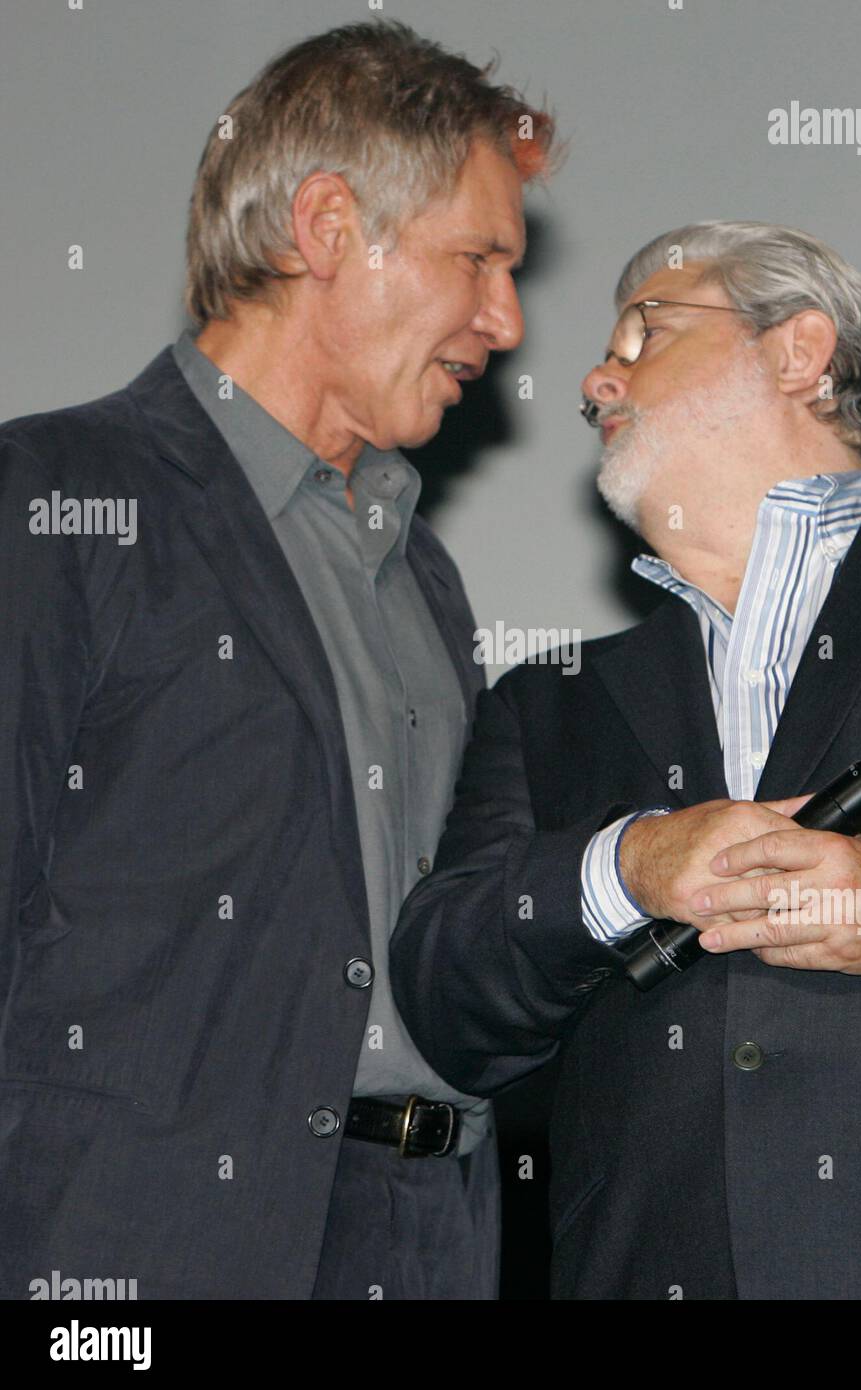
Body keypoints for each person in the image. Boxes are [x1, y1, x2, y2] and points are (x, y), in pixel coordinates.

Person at [391, 220, 861, 1300]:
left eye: (644, 329)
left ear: (798, 352)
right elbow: (444, 997)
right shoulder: (545, 702)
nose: (596, 379)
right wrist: (627, 868)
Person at [0, 20, 552, 1299]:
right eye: (478, 258)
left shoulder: (420, 571)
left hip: (423, 1244)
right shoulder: (60, 498)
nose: (507, 320)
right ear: (324, 226)